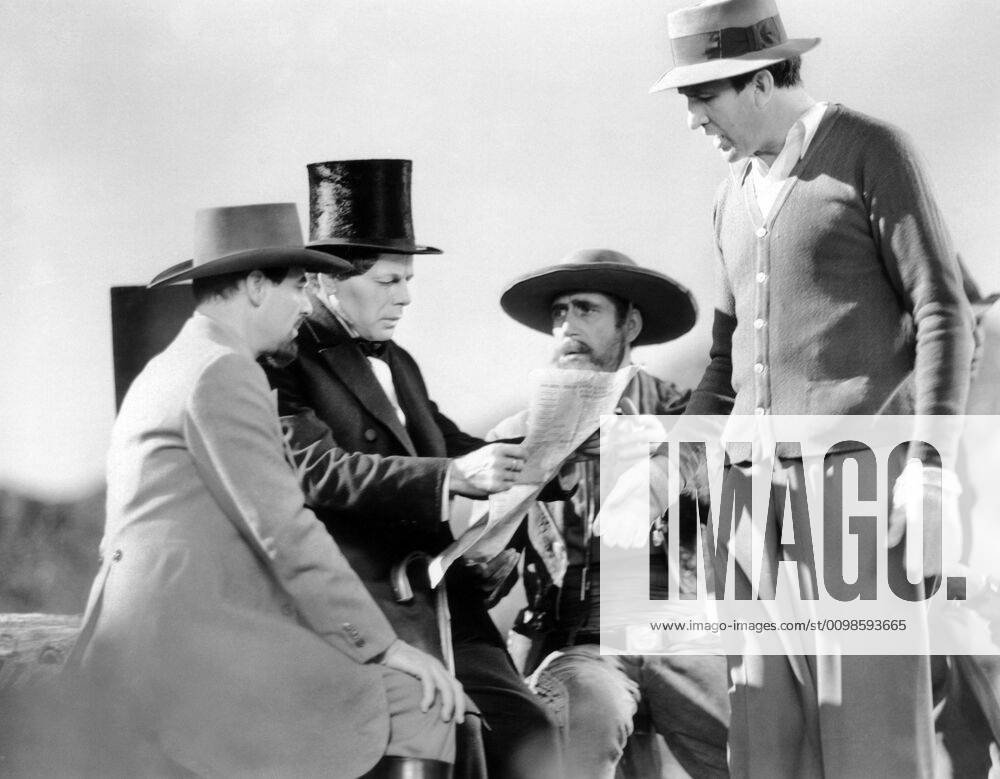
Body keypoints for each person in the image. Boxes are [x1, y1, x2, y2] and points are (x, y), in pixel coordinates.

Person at [629, 0, 976, 776]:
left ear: (757, 80)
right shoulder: (729, 198)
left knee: (869, 738)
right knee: (764, 739)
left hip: (856, 488)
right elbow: (723, 366)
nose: (691, 120)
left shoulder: (871, 151)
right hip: (751, 504)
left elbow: (943, 310)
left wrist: (927, 466)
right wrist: (670, 468)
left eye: (701, 96)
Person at [66, 203, 464, 778]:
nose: (306, 304)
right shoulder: (224, 371)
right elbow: (283, 528)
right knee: (423, 701)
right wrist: (384, 646)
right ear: (255, 286)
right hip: (188, 648)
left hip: (136, 636)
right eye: (299, 285)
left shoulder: (171, 365)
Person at [264, 160, 561, 779]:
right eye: (389, 279)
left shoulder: (398, 360)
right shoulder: (284, 363)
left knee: (529, 735)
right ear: (324, 282)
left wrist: (552, 456)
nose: (406, 296)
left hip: (439, 596)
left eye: (409, 278)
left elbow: (445, 441)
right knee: (455, 741)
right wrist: (450, 478)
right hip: (362, 600)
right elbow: (317, 469)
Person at [491, 249, 730, 778]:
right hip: (579, 644)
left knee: (762, 741)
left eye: (586, 309)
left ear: (631, 323)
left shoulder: (685, 414)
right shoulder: (514, 436)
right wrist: (488, 553)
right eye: (558, 313)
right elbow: (488, 568)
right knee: (585, 717)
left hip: (680, 635)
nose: (567, 325)